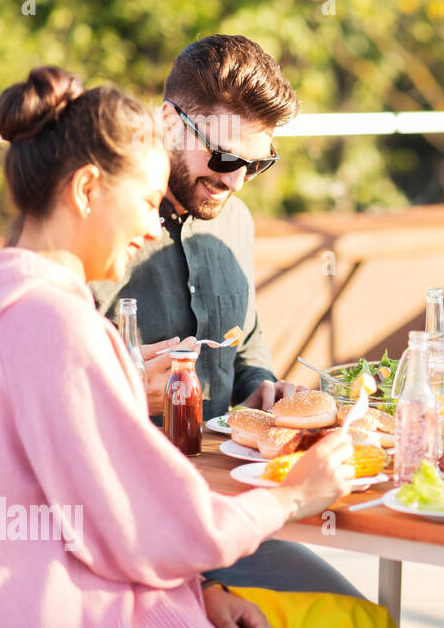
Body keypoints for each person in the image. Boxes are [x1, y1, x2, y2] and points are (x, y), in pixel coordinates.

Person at [0, 66, 400, 628]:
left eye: (257, 164)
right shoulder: (62, 325)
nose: (152, 230)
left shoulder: (2, 301)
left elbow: (108, 516)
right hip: (92, 621)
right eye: (145, 203)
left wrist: (204, 588)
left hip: (134, 572)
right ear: (86, 191)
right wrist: (295, 494)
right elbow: (150, 526)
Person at [90, 34, 299, 421]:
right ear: (170, 123)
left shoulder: (237, 222)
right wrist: (126, 390)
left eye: (256, 165)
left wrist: (263, 388)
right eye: (223, 158)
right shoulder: (97, 228)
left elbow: (245, 347)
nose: (236, 183)